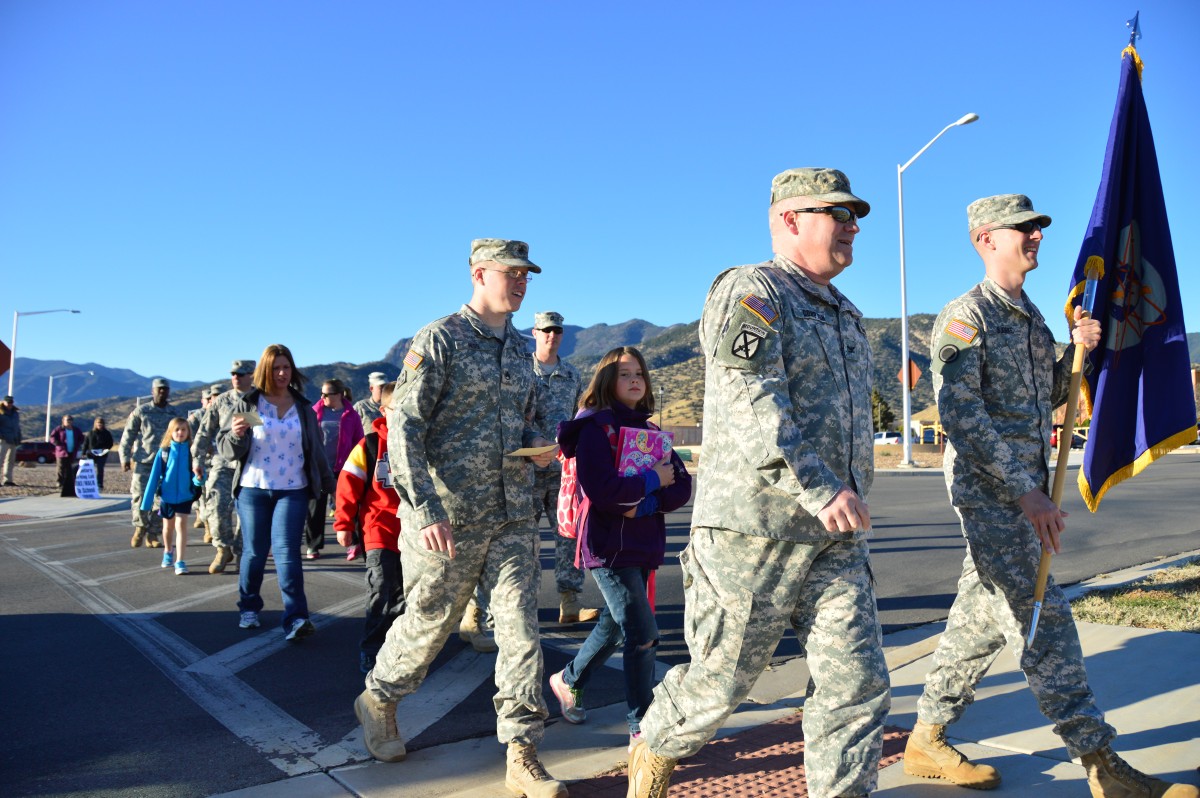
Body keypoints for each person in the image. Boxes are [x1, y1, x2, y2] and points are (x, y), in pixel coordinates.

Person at [906, 194, 1198, 798]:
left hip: (1027, 487)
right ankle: (1099, 761)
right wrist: (1024, 493)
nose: (1036, 237)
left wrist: (1076, 348)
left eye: (1038, 228)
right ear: (986, 239)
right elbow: (962, 414)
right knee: (1044, 619)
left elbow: (1050, 393)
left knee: (977, 623)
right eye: (1023, 229)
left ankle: (926, 737)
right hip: (992, 493)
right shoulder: (967, 317)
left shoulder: (1031, 318)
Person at [628, 168, 888, 798]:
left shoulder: (846, 314)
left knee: (856, 684)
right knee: (722, 684)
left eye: (857, 217)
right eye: (839, 214)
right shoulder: (753, 291)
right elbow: (752, 398)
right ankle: (658, 739)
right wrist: (821, 486)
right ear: (789, 220)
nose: (853, 227)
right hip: (755, 532)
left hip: (834, 536)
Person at [353, 238, 567, 798]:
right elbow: (405, 428)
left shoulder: (522, 350)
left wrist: (538, 445)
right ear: (478, 274)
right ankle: (380, 697)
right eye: (510, 273)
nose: (520, 282)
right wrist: (422, 508)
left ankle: (522, 753)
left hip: (511, 514)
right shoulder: (440, 339)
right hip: (447, 517)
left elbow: (521, 422)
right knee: (429, 623)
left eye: (526, 274)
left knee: (521, 629)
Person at [549, 347, 691, 750]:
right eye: (624, 373)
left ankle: (569, 679)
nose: (634, 380)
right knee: (643, 632)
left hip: (644, 542)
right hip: (607, 545)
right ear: (606, 380)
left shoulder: (649, 431)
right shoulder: (596, 429)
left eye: (639, 374)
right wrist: (649, 482)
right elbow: (602, 489)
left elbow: (681, 485)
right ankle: (640, 725)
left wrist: (644, 502)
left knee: (615, 625)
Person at [218, 344, 335, 641]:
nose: (282, 373)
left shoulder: (303, 408)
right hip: (254, 489)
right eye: (276, 368)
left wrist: (330, 486)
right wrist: (236, 434)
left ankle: (296, 618)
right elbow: (225, 449)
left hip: (292, 490)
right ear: (265, 371)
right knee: (255, 552)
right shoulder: (250, 404)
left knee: (287, 554)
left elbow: (316, 450)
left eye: (286, 367)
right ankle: (249, 606)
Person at [530, 310, 600, 625]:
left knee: (567, 537)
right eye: (546, 330)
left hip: (562, 474)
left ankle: (569, 604)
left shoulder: (571, 375)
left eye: (556, 331)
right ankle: (521, 607)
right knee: (524, 542)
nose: (551, 336)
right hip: (526, 471)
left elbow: (577, 418)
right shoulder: (520, 371)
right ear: (534, 332)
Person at [334, 382, 402, 674]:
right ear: (383, 410)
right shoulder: (370, 445)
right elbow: (347, 484)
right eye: (397, 409)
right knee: (381, 588)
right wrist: (343, 524)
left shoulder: (421, 443)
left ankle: (397, 648)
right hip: (378, 531)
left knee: (404, 597)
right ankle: (371, 648)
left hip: (412, 536)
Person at [193, 361, 256, 574]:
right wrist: (197, 461)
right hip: (223, 463)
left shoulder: (261, 399)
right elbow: (204, 432)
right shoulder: (221, 401)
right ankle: (222, 548)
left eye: (240, 374)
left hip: (250, 464)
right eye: (233, 374)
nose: (235, 377)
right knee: (216, 506)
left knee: (247, 513)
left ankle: (241, 553)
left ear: (251, 375)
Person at [306, 378, 364, 559]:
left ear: (338, 395)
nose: (322, 397)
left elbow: (358, 440)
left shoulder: (351, 414)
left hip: (343, 467)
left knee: (347, 506)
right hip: (319, 467)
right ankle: (313, 546)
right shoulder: (314, 412)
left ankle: (354, 543)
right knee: (315, 507)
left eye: (326, 394)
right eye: (321, 393)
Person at [120, 378, 177, 548]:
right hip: (144, 462)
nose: (162, 392)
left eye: (165, 389)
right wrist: (124, 458)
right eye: (159, 389)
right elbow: (128, 435)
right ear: (152, 391)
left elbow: (182, 436)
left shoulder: (174, 413)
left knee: (163, 501)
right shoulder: (141, 411)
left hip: (167, 463)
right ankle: (140, 527)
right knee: (140, 497)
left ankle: (153, 534)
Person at [141, 417, 199, 575]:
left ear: (188, 432)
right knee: (167, 528)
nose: (180, 432)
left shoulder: (192, 452)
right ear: (170, 433)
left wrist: (199, 480)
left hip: (185, 497)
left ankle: (180, 561)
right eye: (177, 430)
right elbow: (154, 476)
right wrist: (146, 503)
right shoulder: (164, 452)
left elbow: (198, 473)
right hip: (167, 497)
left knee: (181, 526)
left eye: (183, 429)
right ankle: (168, 551)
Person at [188, 389, 216, 534]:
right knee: (203, 496)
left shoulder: (223, 412)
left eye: (212, 398)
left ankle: (209, 524)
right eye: (208, 398)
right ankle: (207, 526)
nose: (210, 401)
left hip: (219, 462)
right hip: (203, 462)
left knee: (213, 498)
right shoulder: (196, 417)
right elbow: (189, 437)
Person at [49, 414, 84, 497]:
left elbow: (81, 437)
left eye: (70, 420)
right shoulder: (59, 429)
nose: (68, 421)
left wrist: (79, 444)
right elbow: (52, 437)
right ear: (63, 421)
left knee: (70, 468)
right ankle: (59, 482)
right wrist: (57, 443)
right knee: (61, 467)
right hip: (61, 452)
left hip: (72, 452)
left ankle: (69, 483)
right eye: (67, 420)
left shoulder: (76, 430)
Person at [82, 417, 114, 492]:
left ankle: (99, 484)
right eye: (98, 423)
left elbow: (110, 443)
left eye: (101, 423)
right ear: (95, 424)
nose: (99, 425)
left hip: (102, 454)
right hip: (91, 454)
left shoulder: (107, 433)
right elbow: (86, 443)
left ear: (103, 424)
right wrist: (83, 452)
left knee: (100, 469)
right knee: (90, 470)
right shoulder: (90, 433)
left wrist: (106, 448)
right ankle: (90, 484)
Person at [0, 395, 20, 487]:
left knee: (10, 461)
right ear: (4, 402)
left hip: (13, 439)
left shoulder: (15, 413)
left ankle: (8, 480)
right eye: (8, 402)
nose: (9, 404)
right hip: (3, 439)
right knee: (0, 460)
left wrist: (18, 437)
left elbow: (17, 426)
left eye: (11, 402)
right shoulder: (1, 412)